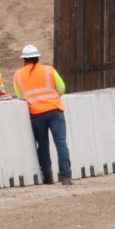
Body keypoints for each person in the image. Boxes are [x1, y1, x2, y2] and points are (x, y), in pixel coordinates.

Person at [12, 44, 71, 185]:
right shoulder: (49, 70)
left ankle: (48, 176)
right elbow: (62, 88)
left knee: (43, 145)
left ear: (24, 60)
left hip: (36, 114)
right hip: (54, 110)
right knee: (61, 143)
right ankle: (65, 177)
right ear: (37, 58)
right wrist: (53, 97)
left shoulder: (17, 76)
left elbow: (20, 96)